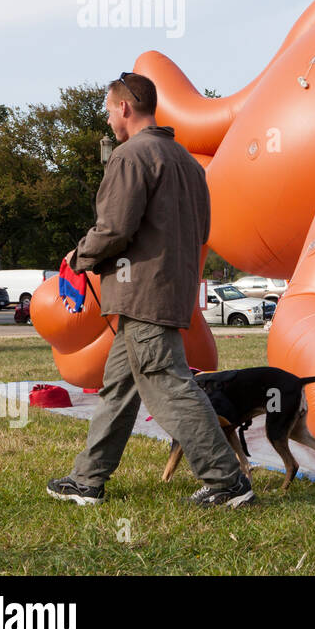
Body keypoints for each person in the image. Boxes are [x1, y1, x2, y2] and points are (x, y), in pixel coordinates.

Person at [47, 72, 253, 508]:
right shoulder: (186, 162)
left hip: (142, 295)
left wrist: (78, 257)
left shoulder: (130, 157)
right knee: (118, 389)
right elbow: (203, 230)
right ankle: (87, 480)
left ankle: (227, 481)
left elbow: (114, 229)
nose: (108, 121)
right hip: (168, 291)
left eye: (108, 110)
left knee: (170, 385)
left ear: (124, 107)